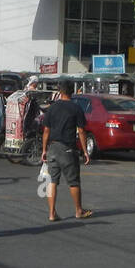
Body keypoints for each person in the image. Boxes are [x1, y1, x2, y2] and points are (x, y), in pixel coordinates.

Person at [40, 79, 92, 221]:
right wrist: (85, 151)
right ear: (72, 92)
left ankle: (51, 213)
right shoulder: (75, 108)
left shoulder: (52, 108)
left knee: (52, 181)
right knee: (73, 181)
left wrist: (44, 149)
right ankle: (78, 210)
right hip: (67, 148)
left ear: (60, 91)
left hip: (52, 147)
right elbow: (81, 131)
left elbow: (46, 130)